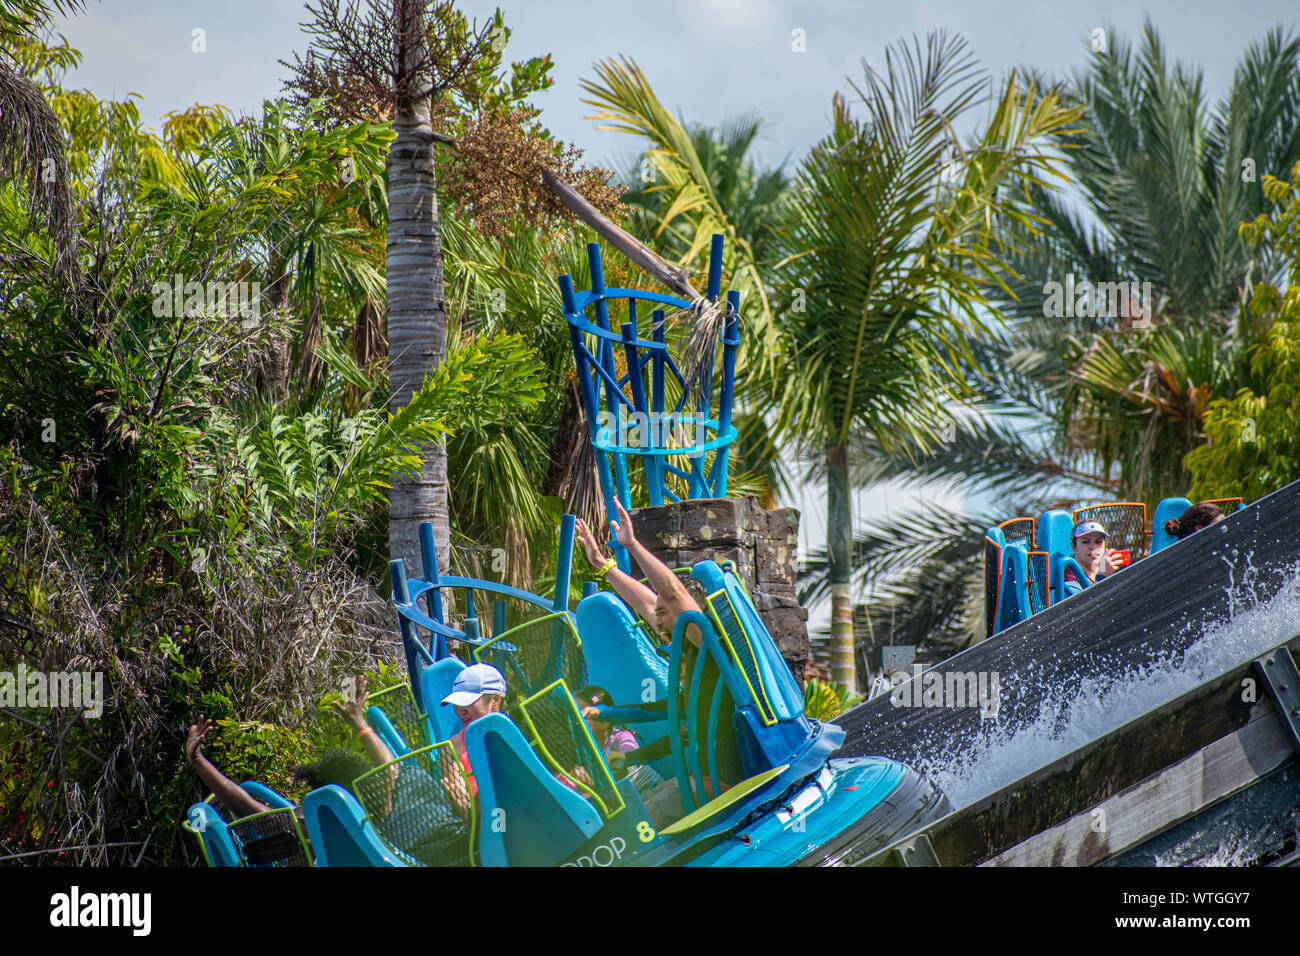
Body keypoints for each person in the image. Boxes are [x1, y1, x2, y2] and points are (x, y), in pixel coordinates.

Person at [185, 673, 395, 824]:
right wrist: (359, 723)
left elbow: (249, 808)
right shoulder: (379, 811)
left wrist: (199, 761)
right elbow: (388, 767)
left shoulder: (316, 822)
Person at [575, 498, 704, 646]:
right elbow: (646, 603)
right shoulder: (679, 644)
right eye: (658, 614)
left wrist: (632, 545)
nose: (658, 622)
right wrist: (600, 562)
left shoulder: (706, 642)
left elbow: (674, 593)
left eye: (662, 613)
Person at [1061, 520, 1126, 597]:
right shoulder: (1067, 580)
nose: (1093, 547)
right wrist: (1101, 576)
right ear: (1073, 547)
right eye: (1085, 542)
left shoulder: (1109, 572)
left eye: (1098, 542)